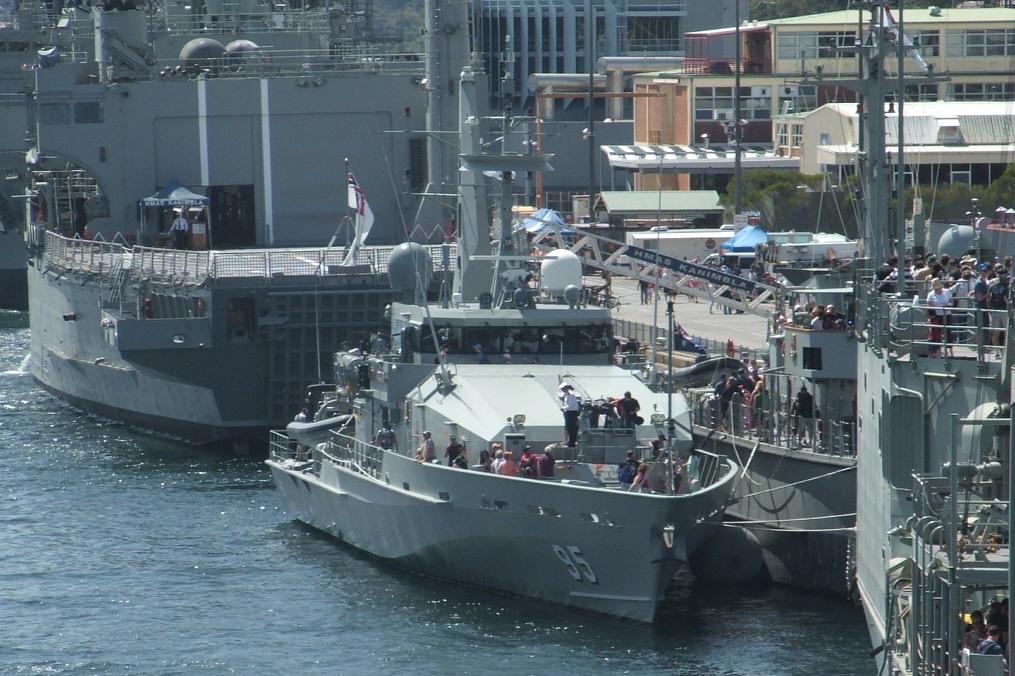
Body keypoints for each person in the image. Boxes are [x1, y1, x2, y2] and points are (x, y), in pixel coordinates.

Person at [926, 278, 957, 357]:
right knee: (936, 334)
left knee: (948, 333)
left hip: (947, 314)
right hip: (937, 316)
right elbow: (930, 305)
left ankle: (950, 351)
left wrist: (948, 305)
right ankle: (937, 351)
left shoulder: (946, 292)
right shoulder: (931, 294)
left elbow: (951, 301)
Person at [559, 383, 580, 447]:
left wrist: (563, 408)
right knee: (569, 428)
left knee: (571, 429)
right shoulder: (567, 394)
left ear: (566, 388)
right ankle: (571, 442)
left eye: (563, 389)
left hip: (571, 413)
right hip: (569, 412)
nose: (562, 390)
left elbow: (570, 405)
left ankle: (572, 443)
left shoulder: (570, 394)